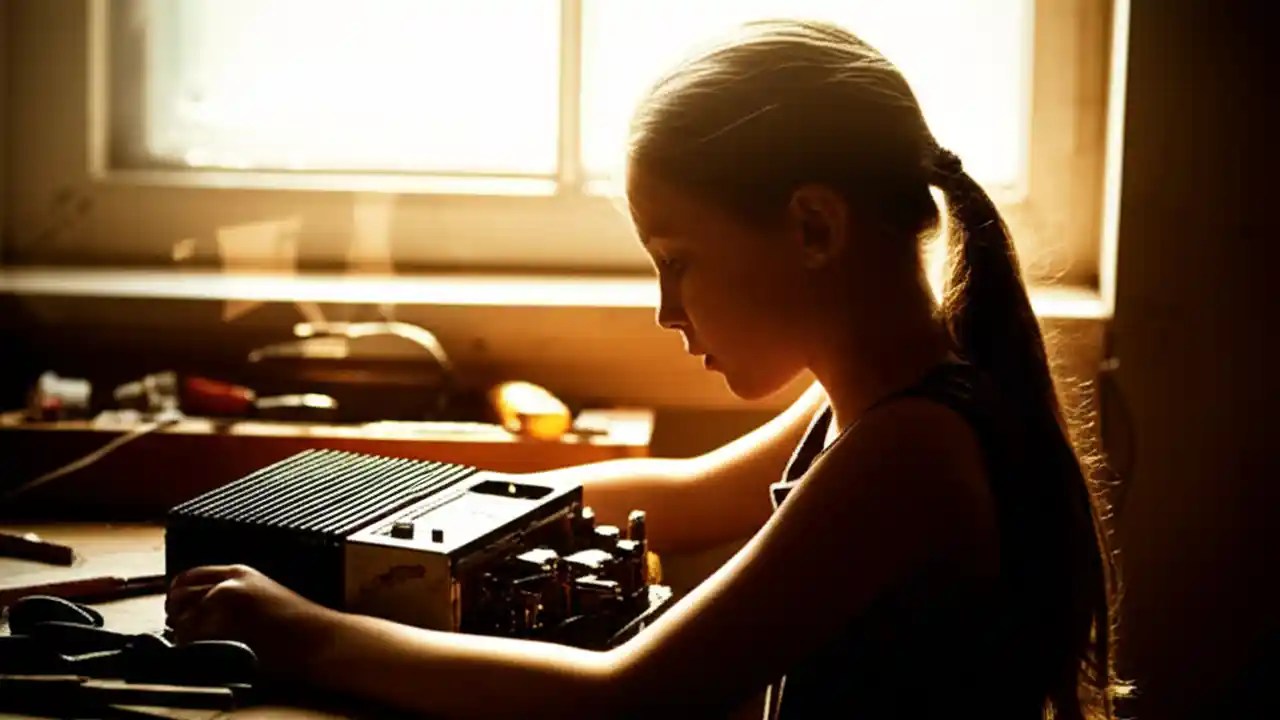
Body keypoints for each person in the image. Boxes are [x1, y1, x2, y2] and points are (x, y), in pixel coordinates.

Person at [166, 19, 1122, 719]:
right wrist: (438, 521)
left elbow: (626, 696)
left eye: (679, 259)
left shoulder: (907, 455)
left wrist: (307, 634)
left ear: (814, 227)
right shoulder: (879, 404)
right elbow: (683, 491)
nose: (667, 309)